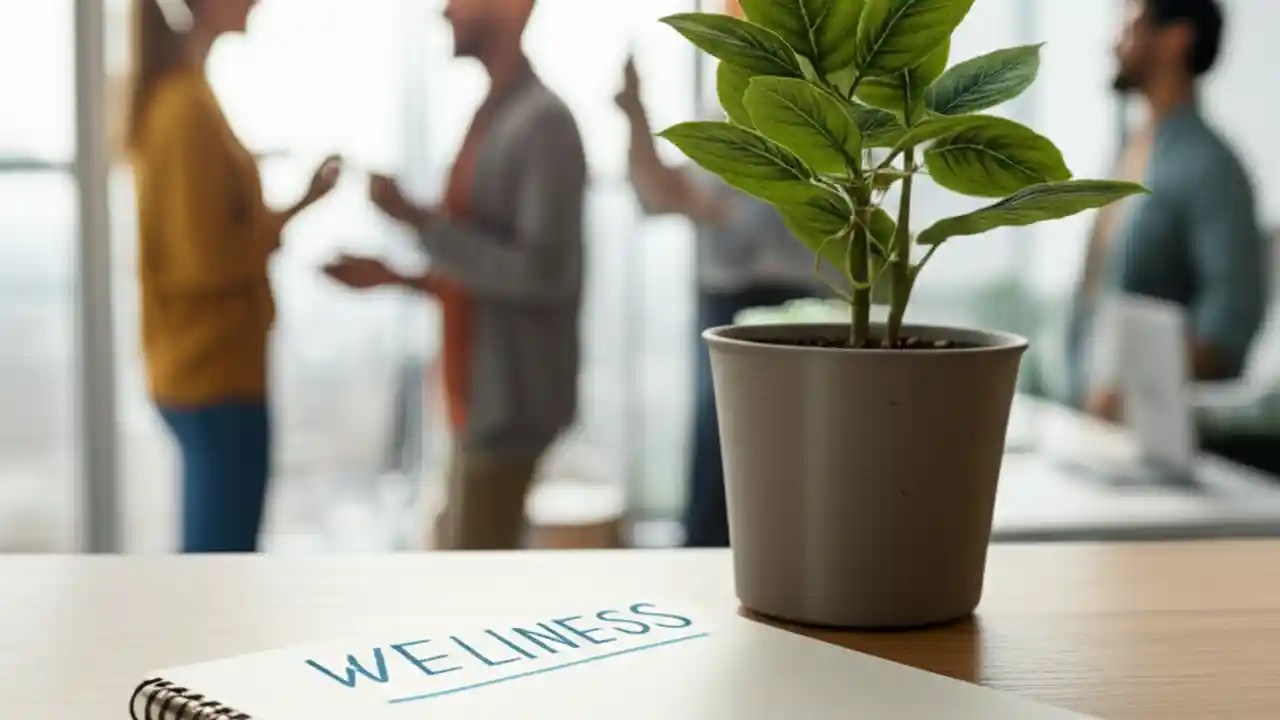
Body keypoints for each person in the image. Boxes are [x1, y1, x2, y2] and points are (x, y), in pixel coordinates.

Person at [325, 0, 586, 550]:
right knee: (459, 558)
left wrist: (416, 218)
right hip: (477, 393)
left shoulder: (544, 124)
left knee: (475, 575)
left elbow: (541, 272)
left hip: (510, 401)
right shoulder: (495, 113)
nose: (445, 11)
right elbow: (487, 273)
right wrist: (395, 276)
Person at [126, 0, 341, 552]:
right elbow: (204, 259)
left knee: (221, 558)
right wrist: (289, 217)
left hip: (212, 368)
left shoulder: (191, 97)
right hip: (212, 371)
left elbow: (210, 239)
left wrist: (300, 204)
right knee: (220, 565)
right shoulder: (185, 108)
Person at [615, 0, 822, 548]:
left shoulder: (799, 99)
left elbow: (732, 221)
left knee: (755, 459)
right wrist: (634, 114)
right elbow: (663, 196)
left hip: (784, 308)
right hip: (725, 303)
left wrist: (698, 203)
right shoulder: (727, 103)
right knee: (718, 456)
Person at [1070, 0, 1268, 421]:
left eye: (1131, 22)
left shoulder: (1211, 168)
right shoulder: (1126, 152)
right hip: (1085, 428)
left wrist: (1132, 388)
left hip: (1151, 440)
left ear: (1176, 38)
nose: (1116, 40)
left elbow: (1229, 321)